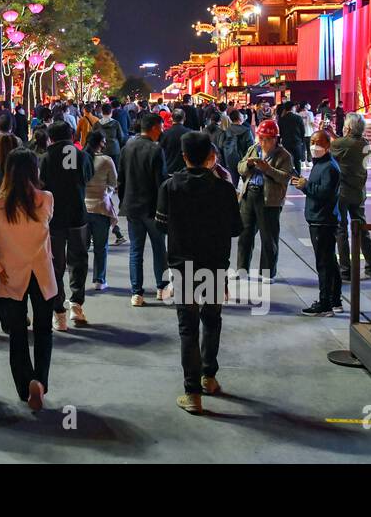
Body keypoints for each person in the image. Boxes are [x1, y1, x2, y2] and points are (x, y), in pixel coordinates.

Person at [157, 130, 243, 414]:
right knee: (212, 319)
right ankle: (209, 376)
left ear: (184, 156)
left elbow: (161, 225)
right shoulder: (224, 189)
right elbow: (235, 229)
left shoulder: (169, 187)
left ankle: (192, 392)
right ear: (210, 157)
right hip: (215, 264)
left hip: (183, 265)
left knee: (188, 327)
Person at [0, 149, 57, 412]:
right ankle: (40, 382)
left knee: (17, 334)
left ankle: (25, 386)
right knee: (44, 331)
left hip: (12, 276)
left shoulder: (0, 203)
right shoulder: (45, 199)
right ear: (35, 171)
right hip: (42, 275)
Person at [40, 120, 93, 328]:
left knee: (55, 265)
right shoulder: (82, 155)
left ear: (50, 138)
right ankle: (76, 306)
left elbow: (41, 184)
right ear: (71, 135)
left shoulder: (45, 158)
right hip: (78, 216)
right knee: (78, 261)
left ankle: (58, 312)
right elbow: (87, 178)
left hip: (54, 218)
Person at [290, 129, 342, 316]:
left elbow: (324, 194)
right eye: (312, 141)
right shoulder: (320, 164)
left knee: (324, 263)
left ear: (327, 146)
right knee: (329, 262)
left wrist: (306, 186)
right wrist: (305, 185)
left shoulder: (330, 167)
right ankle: (335, 299)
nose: (314, 146)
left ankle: (325, 302)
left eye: (318, 142)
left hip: (323, 221)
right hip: (319, 218)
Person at [119, 113, 169, 306]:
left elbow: (121, 179)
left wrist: (124, 202)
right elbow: (161, 183)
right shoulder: (156, 150)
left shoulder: (127, 148)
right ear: (155, 128)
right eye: (161, 127)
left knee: (135, 250)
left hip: (132, 207)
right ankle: (161, 288)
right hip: (152, 208)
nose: (162, 131)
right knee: (159, 249)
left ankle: (136, 293)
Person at [235, 119, 293, 281]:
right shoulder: (254, 149)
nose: (263, 142)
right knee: (245, 234)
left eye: (267, 139)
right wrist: (248, 166)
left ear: (276, 139)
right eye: (261, 138)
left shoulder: (284, 156)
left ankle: (267, 272)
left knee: (268, 237)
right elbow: (239, 167)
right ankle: (242, 269)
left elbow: (285, 177)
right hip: (249, 195)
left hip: (269, 199)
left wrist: (268, 169)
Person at [331, 112, 371, 281]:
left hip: (342, 192)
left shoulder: (339, 143)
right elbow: (346, 145)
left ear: (348, 127)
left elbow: (333, 150)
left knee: (341, 230)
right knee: (362, 228)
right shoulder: (365, 143)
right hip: (359, 191)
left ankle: (345, 269)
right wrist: (332, 134)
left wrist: (329, 135)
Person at [83, 129, 119, 292]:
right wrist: (107, 192)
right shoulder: (106, 160)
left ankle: (79, 278)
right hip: (101, 207)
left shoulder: (79, 158)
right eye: (104, 141)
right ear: (100, 143)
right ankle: (99, 279)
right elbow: (114, 182)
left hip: (83, 208)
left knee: (81, 248)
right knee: (100, 246)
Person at [278, 101, 306, 175]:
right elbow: (303, 131)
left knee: (287, 161)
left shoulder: (281, 119)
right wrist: (302, 141)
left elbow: (280, 132)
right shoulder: (298, 118)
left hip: (286, 142)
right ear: (292, 108)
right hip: (297, 142)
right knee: (297, 161)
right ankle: (297, 177)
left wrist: (279, 141)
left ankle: (287, 176)